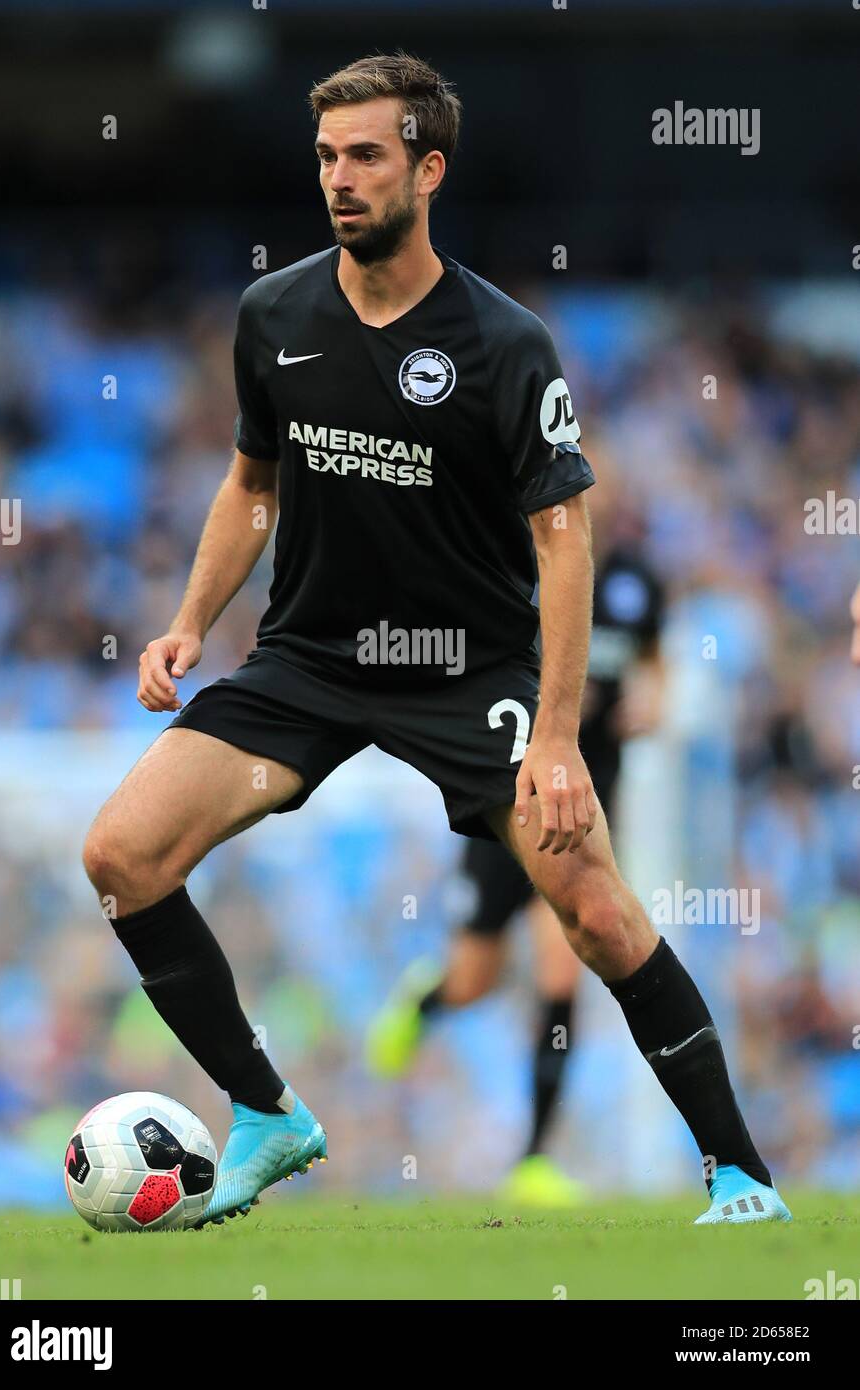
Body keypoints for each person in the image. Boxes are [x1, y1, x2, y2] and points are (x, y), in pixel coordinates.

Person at [82, 52, 789, 1226]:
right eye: (325, 158)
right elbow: (251, 483)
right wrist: (187, 622)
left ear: (428, 168)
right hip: (305, 664)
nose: (340, 180)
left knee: (596, 913)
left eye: (366, 156)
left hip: (471, 677)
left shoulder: (503, 343)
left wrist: (556, 734)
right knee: (121, 854)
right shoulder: (276, 314)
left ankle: (738, 1172)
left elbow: (565, 543)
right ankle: (267, 1111)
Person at [367, 484, 666, 1208]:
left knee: (562, 979)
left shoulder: (636, 584)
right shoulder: (508, 569)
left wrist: (647, 703)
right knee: (473, 981)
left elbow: (656, 672)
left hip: (582, 813)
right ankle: (428, 1000)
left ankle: (531, 1160)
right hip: (506, 804)